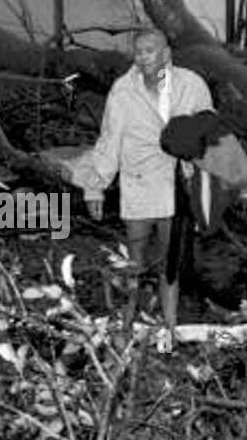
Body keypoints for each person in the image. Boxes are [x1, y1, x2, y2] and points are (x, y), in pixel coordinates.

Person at [81, 28, 214, 352]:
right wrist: (95, 187)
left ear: (166, 53)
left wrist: (199, 163)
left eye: (150, 50)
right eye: (138, 51)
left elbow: (211, 131)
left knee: (170, 266)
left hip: (176, 187)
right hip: (138, 185)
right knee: (134, 265)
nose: (143, 57)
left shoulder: (191, 84)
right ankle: (126, 330)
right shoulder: (123, 90)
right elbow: (109, 140)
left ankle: (168, 332)